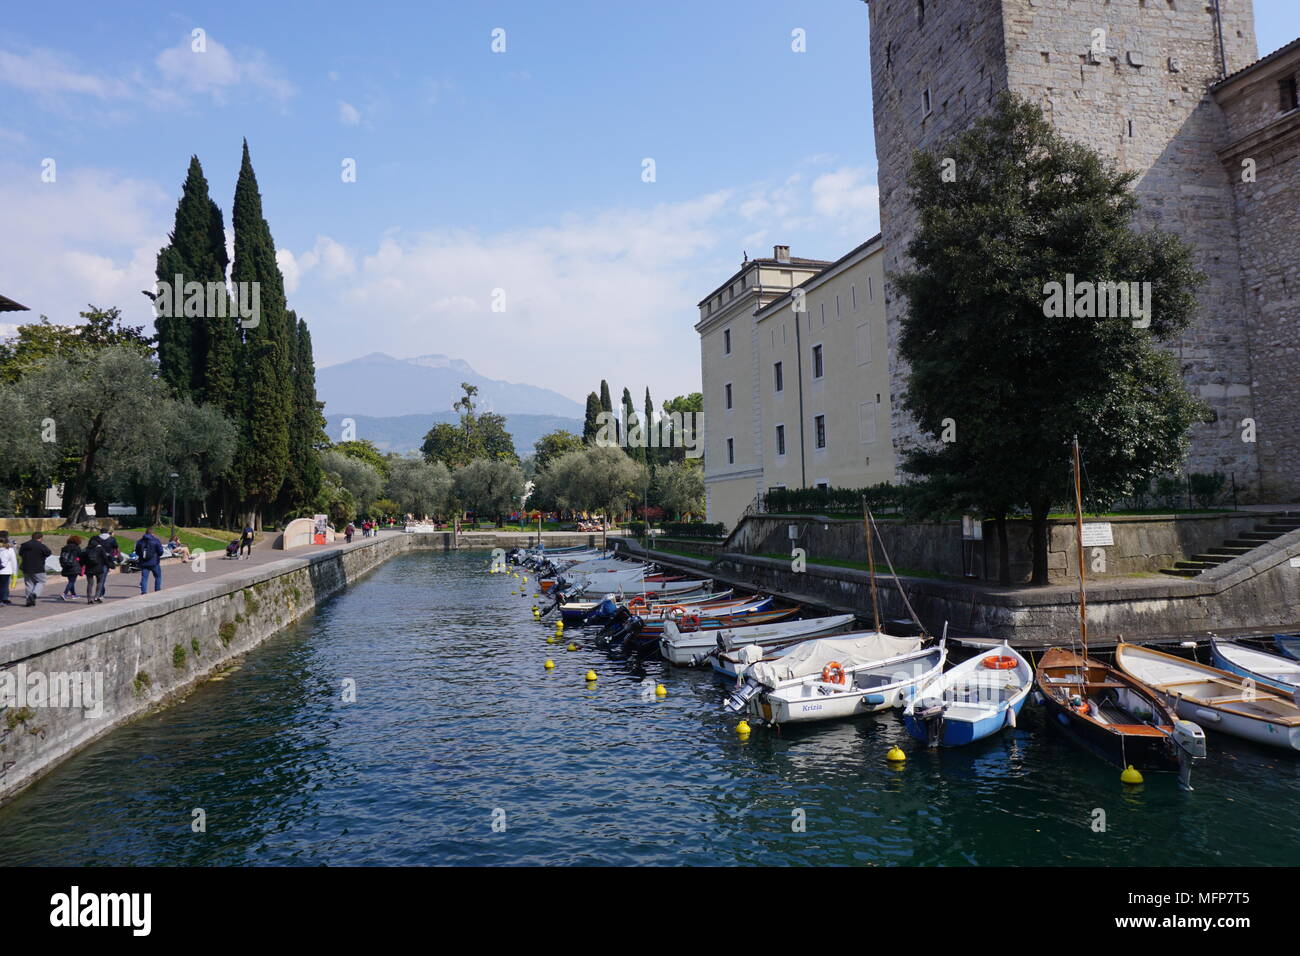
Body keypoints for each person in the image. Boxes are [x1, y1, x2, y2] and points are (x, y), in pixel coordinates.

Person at [18, 532, 52, 606]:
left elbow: (20, 553)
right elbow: (48, 553)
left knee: (29, 584)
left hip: (26, 567)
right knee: (41, 581)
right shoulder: (41, 546)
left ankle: (29, 601)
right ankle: (34, 595)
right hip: (38, 567)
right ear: (40, 538)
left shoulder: (24, 545)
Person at [81, 531, 113, 604]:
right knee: (99, 582)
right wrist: (109, 565)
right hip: (99, 568)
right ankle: (96, 597)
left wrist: (82, 565)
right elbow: (105, 558)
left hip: (89, 569)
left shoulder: (86, 549)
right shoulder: (100, 548)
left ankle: (89, 599)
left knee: (90, 584)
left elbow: (82, 559)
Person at [136, 526, 164, 594]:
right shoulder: (156, 541)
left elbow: (137, 552)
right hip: (154, 562)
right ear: (153, 533)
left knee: (144, 578)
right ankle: (157, 591)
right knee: (158, 576)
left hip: (144, 563)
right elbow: (160, 551)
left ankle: (144, 592)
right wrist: (157, 555)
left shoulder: (140, 541)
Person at [59, 535, 84, 601]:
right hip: (74, 566)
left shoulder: (65, 548)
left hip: (66, 566)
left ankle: (73, 594)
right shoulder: (77, 548)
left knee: (71, 581)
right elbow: (80, 557)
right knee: (72, 581)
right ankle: (64, 594)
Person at [0, 533, 15, 605]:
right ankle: (3, 599)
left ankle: (4, 599)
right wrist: (15, 573)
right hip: (6, 571)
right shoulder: (10, 550)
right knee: (4, 586)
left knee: (3, 586)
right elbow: (14, 562)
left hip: (4, 570)